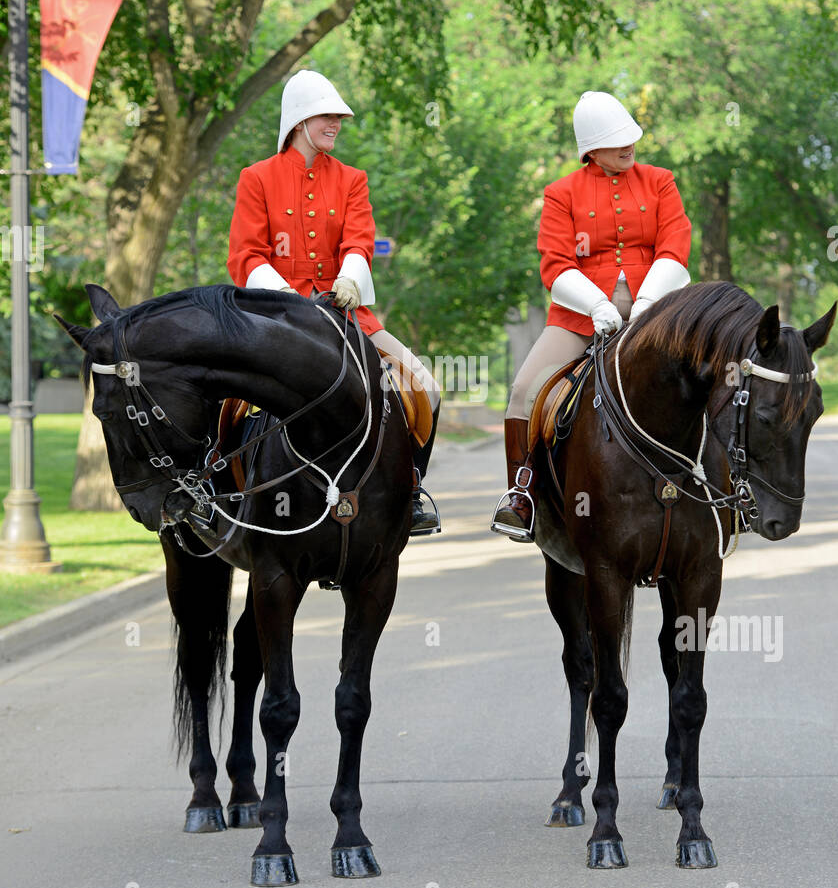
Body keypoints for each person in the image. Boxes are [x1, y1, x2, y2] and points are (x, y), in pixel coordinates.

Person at [227, 69, 440, 536]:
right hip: (277, 311)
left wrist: (349, 280)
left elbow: (360, 242)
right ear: (300, 121)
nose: (336, 124)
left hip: (346, 308)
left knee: (424, 385)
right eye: (327, 116)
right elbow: (246, 254)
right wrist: (283, 296)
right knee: (228, 400)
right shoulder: (256, 178)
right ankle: (227, 493)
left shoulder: (351, 179)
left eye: (338, 117)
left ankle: (412, 489)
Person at [491, 90, 692, 541]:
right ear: (591, 148)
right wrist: (597, 305)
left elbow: (675, 245)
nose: (629, 145)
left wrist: (646, 304)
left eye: (630, 136)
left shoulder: (660, 180)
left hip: (656, 306)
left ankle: (726, 487)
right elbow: (556, 263)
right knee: (525, 390)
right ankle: (521, 495)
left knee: (711, 376)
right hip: (581, 315)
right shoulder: (561, 193)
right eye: (616, 139)